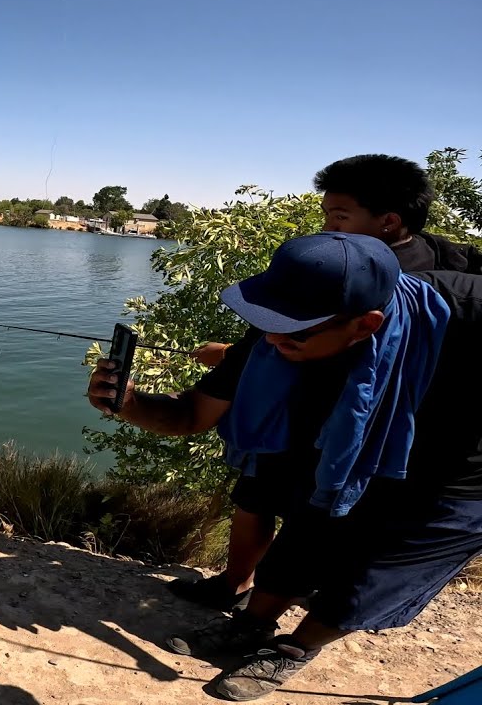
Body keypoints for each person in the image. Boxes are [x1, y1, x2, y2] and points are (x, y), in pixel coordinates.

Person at [87, 232, 482, 700]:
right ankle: (251, 625)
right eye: (268, 322)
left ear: (365, 324)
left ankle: (294, 649)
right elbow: (191, 413)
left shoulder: (468, 318)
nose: (273, 338)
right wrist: (128, 404)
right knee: (307, 533)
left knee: (378, 571)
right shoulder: (281, 327)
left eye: (294, 331)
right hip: (345, 449)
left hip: (462, 470)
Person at [173, 153, 482, 612]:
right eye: (325, 216)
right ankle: (233, 586)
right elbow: (284, 328)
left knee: (314, 521)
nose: (327, 229)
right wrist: (238, 353)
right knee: (254, 499)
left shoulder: (424, 283)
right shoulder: (339, 262)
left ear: (390, 221)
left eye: (339, 216)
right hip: (286, 413)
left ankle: (263, 617)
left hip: (347, 430)